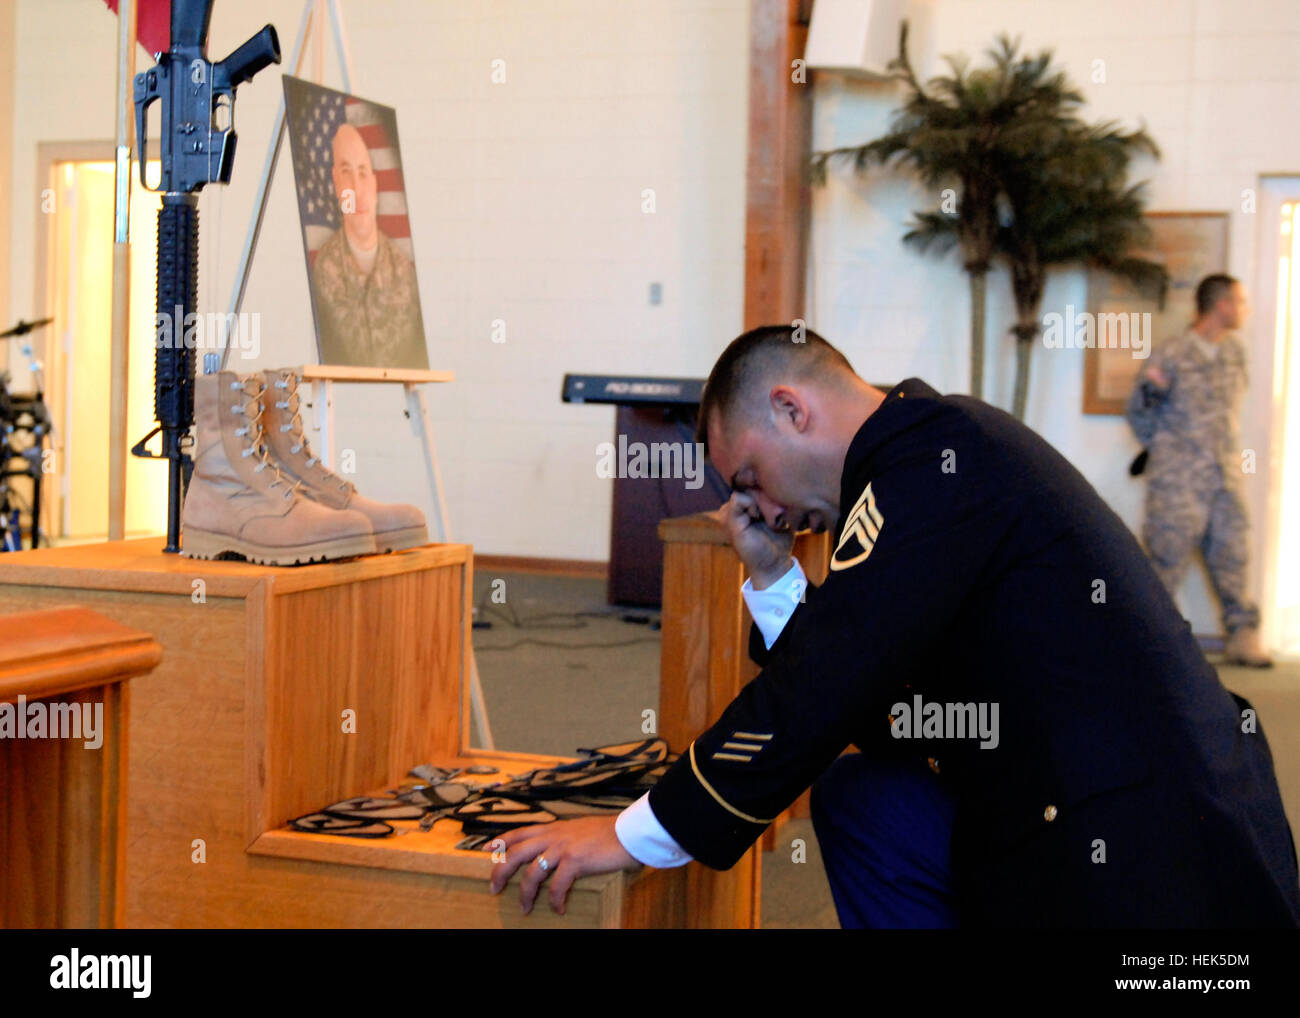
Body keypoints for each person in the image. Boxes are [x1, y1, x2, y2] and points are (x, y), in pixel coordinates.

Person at [488, 325, 1300, 928]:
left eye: (751, 477)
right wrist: (774, 576)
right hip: (1067, 805)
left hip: (1160, 869)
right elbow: (879, 702)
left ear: (791, 408)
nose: (763, 509)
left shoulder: (936, 460)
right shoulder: (917, 459)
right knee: (864, 795)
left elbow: (823, 686)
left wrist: (636, 834)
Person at [1126, 274, 1271, 667]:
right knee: (1165, 559)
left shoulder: (1234, 353)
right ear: (1220, 304)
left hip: (1224, 476)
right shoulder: (1170, 355)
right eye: (1240, 302)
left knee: (1234, 555)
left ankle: (1243, 636)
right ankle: (1145, 643)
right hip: (1179, 481)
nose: (1244, 310)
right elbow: (1139, 409)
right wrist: (1170, 452)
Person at [310, 122, 427, 369]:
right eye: (346, 172)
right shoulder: (326, 266)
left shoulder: (402, 269)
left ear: (374, 186)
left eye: (363, 173)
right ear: (336, 185)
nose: (356, 188)